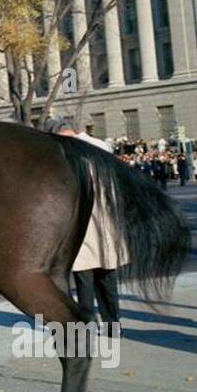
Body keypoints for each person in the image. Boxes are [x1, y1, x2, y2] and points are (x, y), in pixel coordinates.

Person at [49, 119, 127, 333]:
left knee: (92, 279)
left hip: (89, 222)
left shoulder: (74, 153)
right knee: (99, 279)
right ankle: (108, 324)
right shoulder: (96, 149)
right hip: (99, 223)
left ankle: (97, 325)